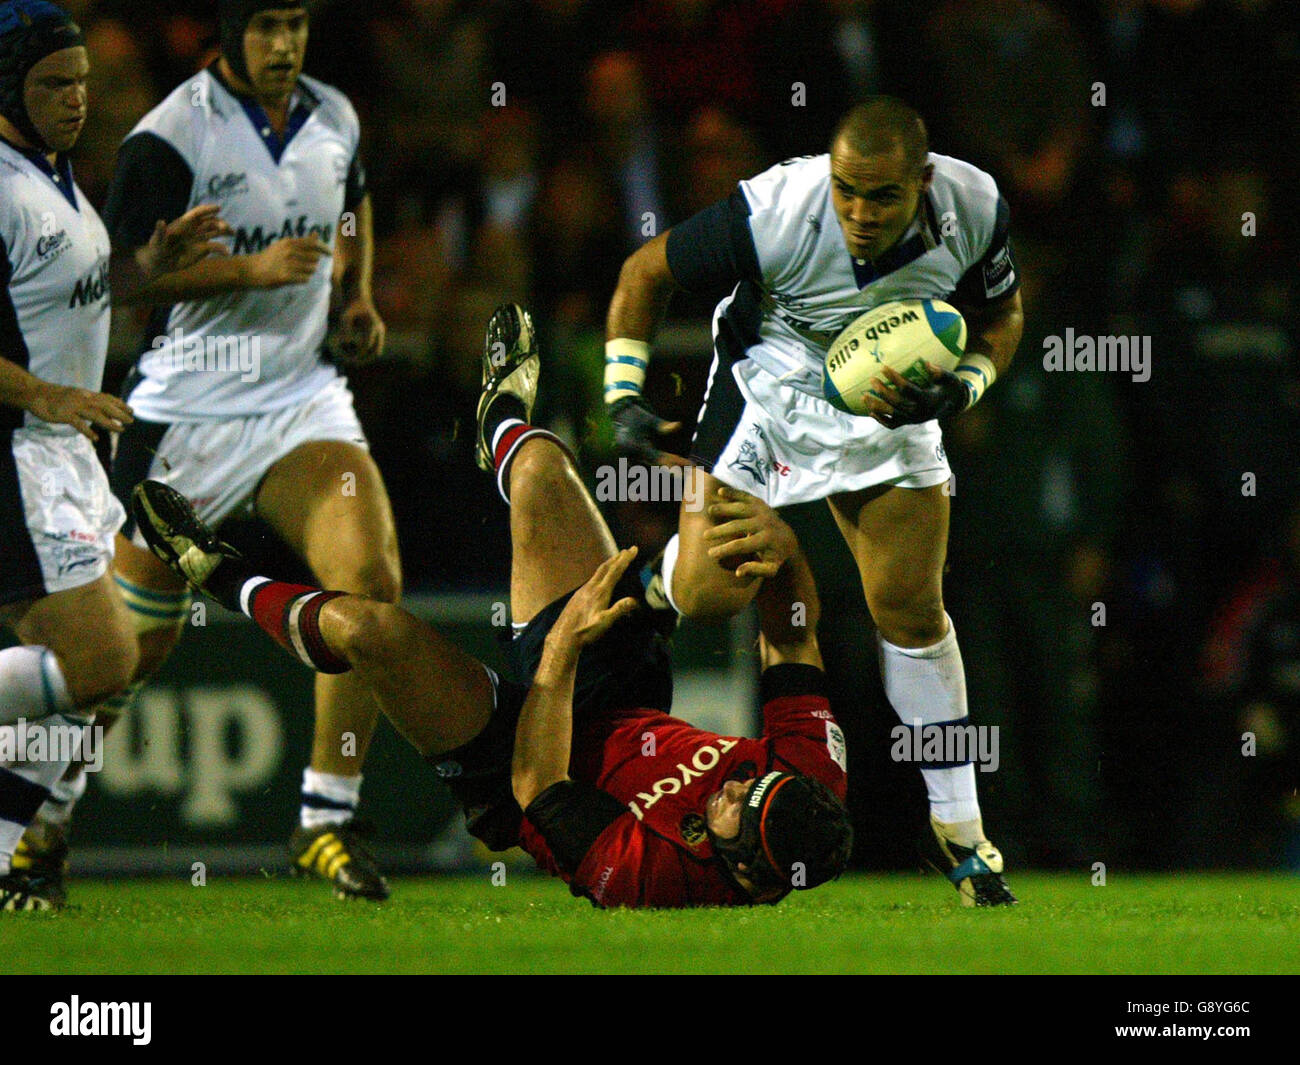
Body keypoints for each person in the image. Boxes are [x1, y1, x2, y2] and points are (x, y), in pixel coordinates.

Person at [130, 305, 854, 908]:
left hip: (519, 764)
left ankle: (219, 576)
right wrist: (785, 551)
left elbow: (538, 783)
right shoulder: (809, 778)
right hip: (623, 693)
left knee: (369, 628)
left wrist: (564, 643)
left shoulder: (652, 880)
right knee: (543, 466)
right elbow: (793, 642)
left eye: (738, 808)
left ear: (747, 872)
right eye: (753, 780)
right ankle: (502, 419)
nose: (732, 784)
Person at [604, 96, 1021, 905]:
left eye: (881, 196)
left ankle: (963, 836)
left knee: (909, 610)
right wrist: (623, 392)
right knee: (707, 594)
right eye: (846, 191)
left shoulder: (975, 207)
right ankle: (666, 574)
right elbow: (642, 273)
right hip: (771, 387)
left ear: (923, 181)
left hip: (886, 403)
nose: (860, 214)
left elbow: (1002, 314)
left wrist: (963, 387)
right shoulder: (776, 209)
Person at [93, 0, 399, 901]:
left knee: (369, 588)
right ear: (224, 33)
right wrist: (246, 271)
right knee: (121, 653)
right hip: (184, 410)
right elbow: (109, 277)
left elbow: (354, 205)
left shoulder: (334, 113)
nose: (284, 44)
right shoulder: (170, 136)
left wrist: (356, 292)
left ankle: (325, 818)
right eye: (265, 26)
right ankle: (38, 821)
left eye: (296, 24)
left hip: (299, 401)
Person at [0, 0, 229, 911]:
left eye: (83, 83)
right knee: (102, 664)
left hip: (70, 454)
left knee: (91, 686)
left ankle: (15, 865)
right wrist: (49, 395)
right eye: (54, 84)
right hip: (19, 450)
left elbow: (87, 293)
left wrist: (150, 260)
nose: (75, 100)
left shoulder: (54, 175)